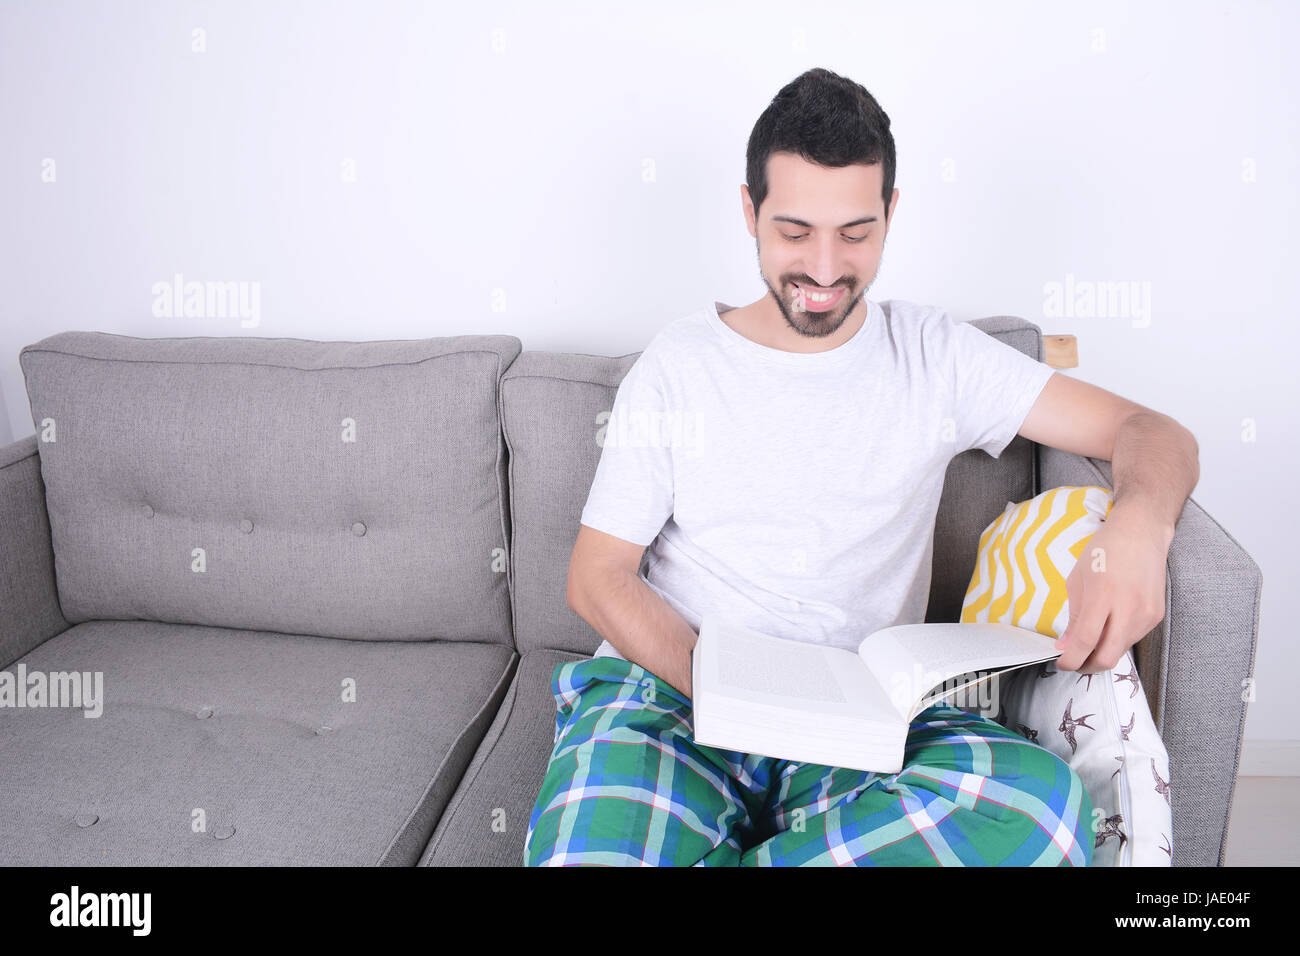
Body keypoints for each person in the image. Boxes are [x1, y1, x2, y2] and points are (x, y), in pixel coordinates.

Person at [524, 67, 1096, 866]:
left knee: (1043, 813)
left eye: (855, 232)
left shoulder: (938, 356)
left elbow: (1146, 434)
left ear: (891, 214)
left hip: (861, 722)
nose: (825, 269)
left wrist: (1136, 528)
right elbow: (598, 576)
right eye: (795, 231)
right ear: (749, 212)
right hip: (674, 695)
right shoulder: (681, 364)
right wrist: (741, 698)